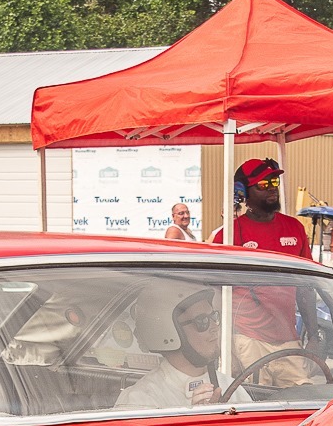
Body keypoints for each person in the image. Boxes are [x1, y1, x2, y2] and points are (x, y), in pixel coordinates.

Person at [209, 158, 315, 387]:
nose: (272, 189)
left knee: (303, 400)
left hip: (288, 339)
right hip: (247, 340)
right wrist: (225, 343)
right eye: (263, 185)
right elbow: (215, 295)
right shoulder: (228, 235)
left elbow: (307, 286)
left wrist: (314, 336)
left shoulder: (295, 227)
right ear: (242, 193)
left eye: (274, 182)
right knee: (256, 405)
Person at [118, 287, 233, 410]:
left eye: (214, 317)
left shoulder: (230, 386)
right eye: (202, 321)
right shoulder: (140, 401)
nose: (215, 327)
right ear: (169, 330)